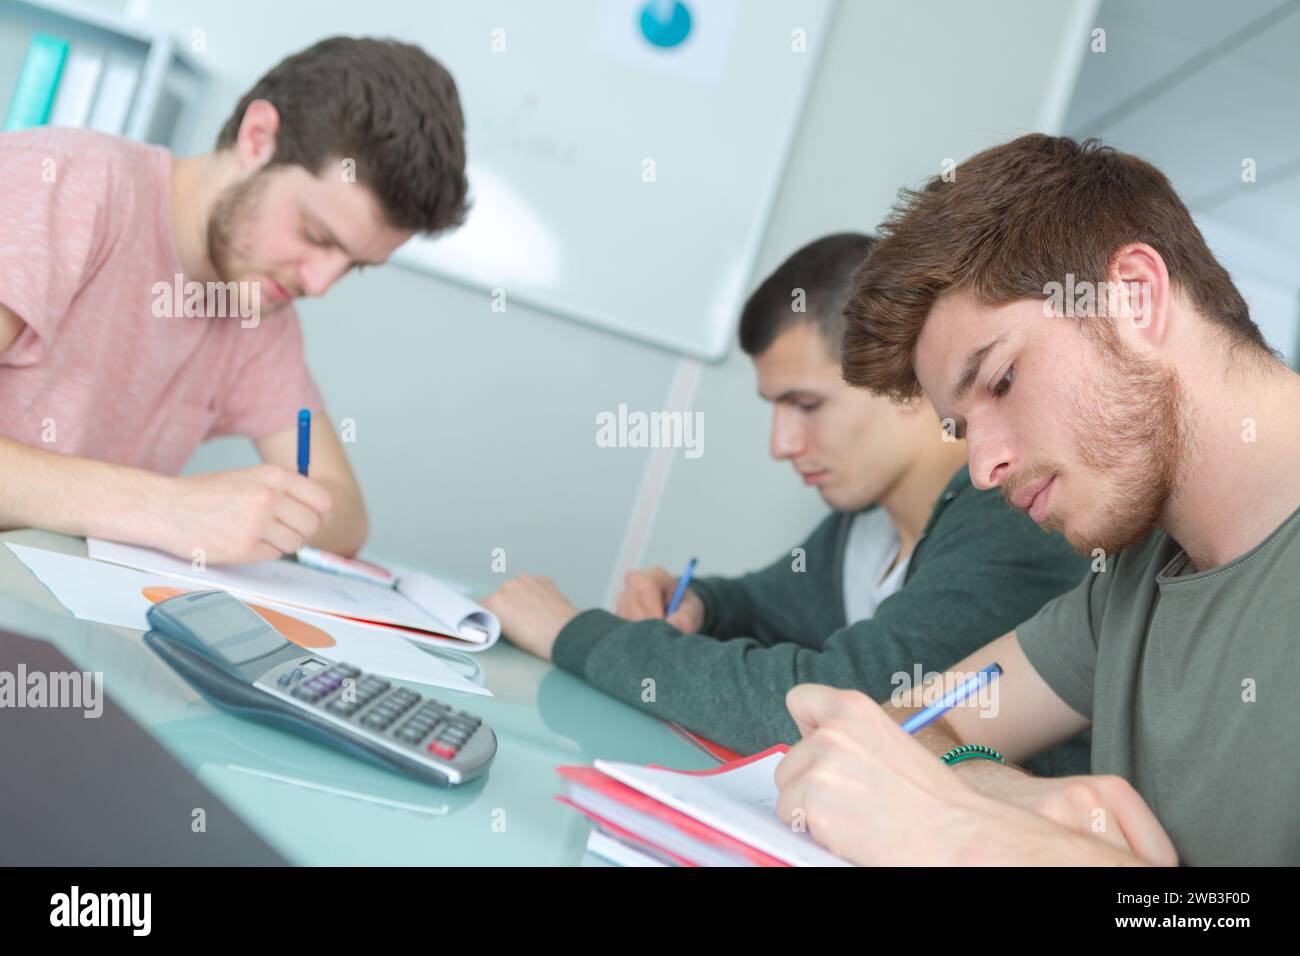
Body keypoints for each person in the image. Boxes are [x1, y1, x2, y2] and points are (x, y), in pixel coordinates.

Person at [775, 134, 1300, 865]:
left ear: (1134, 297)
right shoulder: (1134, 574)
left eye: (1001, 381)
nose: (983, 467)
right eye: (961, 428)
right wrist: (1001, 790)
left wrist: (983, 840)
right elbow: (921, 718)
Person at [484, 234, 1090, 766]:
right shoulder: (864, 524)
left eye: (806, 405)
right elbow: (759, 603)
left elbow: (829, 701)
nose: (782, 444)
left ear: (906, 381)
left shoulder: (1011, 518)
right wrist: (697, 603)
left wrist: (572, 632)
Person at [0, 36, 468, 562]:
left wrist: (264, 506)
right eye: (316, 235)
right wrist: (168, 507)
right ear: (257, 138)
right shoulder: (71, 186)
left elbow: (346, 517)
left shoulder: (257, 310)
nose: (318, 285)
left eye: (354, 266)